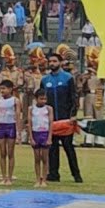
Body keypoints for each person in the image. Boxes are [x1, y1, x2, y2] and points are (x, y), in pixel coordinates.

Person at [42, 52, 82, 183]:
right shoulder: (45, 80)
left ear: (60, 62)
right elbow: (42, 100)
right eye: (50, 61)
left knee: (68, 148)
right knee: (52, 149)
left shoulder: (67, 78)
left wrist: (73, 115)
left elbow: (73, 98)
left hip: (65, 120)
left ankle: (76, 175)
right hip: (51, 121)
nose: (52, 63)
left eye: (54, 61)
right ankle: (53, 174)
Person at [0, 80, 18, 186]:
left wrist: (19, 131)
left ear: (10, 89)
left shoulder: (15, 101)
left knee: (10, 153)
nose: (2, 90)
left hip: (11, 126)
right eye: (0, 88)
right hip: (1, 126)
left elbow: (17, 116)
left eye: (4, 88)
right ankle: (3, 176)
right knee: (2, 153)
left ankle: (9, 177)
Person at [28, 88, 54, 188]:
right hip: (35, 133)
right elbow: (30, 124)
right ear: (36, 99)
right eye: (41, 99)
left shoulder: (49, 109)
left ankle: (44, 179)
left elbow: (51, 123)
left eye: (45, 99)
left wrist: (49, 137)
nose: (43, 101)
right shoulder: (31, 109)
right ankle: (37, 178)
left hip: (45, 133)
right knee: (37, 158)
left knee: (45, 158)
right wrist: (31, 137)